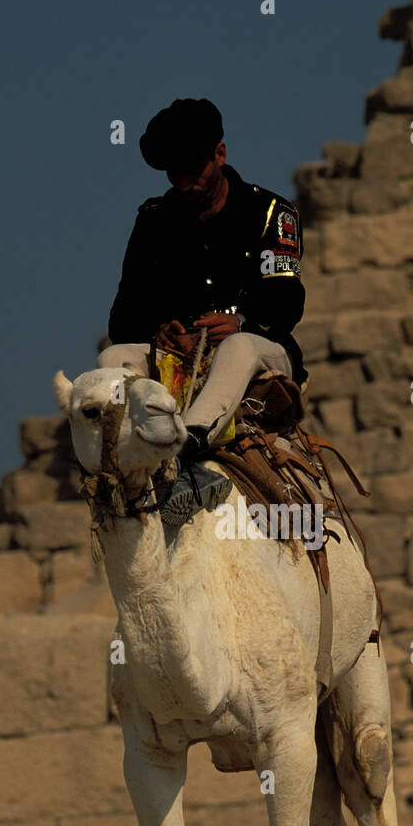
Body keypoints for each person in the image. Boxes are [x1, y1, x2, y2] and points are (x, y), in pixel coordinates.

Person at [102, 98, 307, 522]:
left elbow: (287, 301)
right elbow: (124, 316)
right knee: (112, 359)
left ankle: (188, 451)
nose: (185, 182)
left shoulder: (272, 213)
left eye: (194, 169)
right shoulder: (154, 221)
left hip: (258, 351)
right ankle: (121, 468)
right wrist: (161, 330)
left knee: (242, 347)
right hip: (177, 359)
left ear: (220, 154)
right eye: (174, 172)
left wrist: (240, 321)